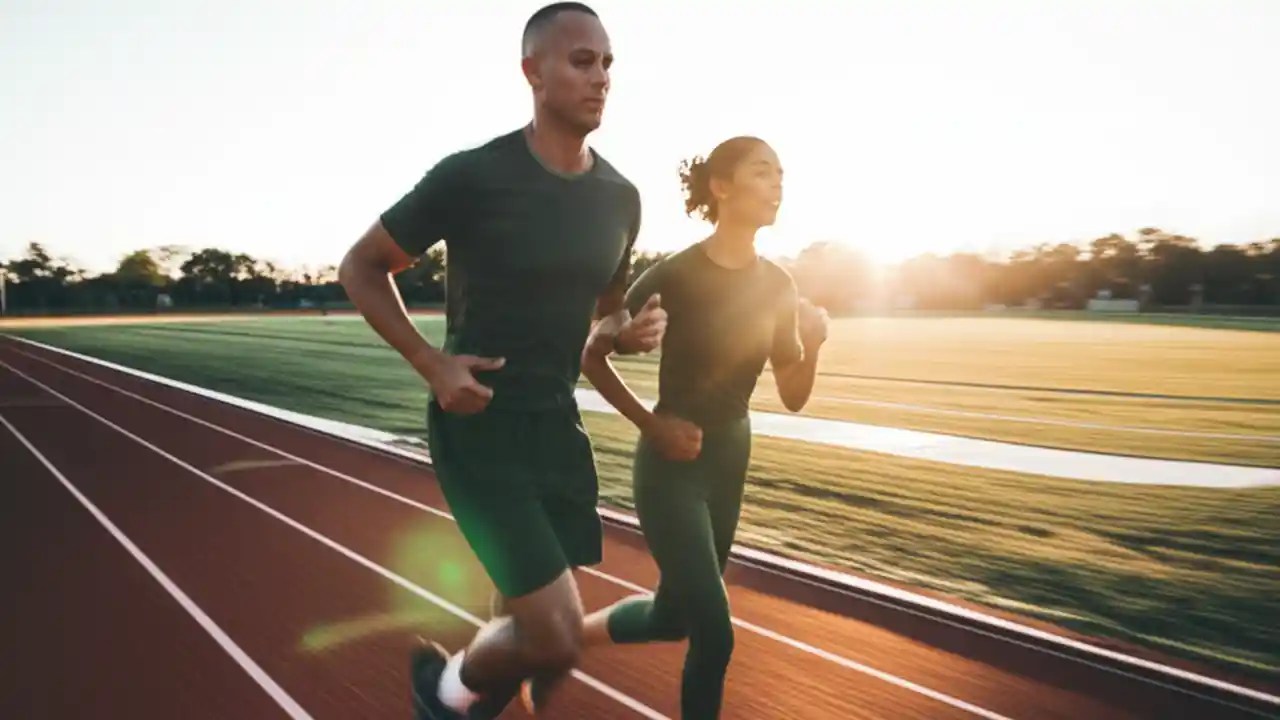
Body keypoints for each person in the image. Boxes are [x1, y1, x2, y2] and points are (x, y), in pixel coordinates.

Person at [336, 4, 667, 719]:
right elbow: (361, 266)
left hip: (557, 430)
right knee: (554, 638)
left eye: (608, 63)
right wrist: (431, 363)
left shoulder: (622, 199)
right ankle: (442, 689)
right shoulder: (473, 176)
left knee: (522, 624)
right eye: (583, 61)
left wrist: (626, 330)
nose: (601, 77)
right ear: (533, 72)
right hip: (480, 424)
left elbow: (602, 312)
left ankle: (469, 705)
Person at [526, 136, 829, 718]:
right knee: (715, 636)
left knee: (673, 617)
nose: (777, 183)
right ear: (721, 187)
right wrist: (651, 425)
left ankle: (559, 649)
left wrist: (811, 346)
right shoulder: (677, 274)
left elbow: (792, 394)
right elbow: (592, 353)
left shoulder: (779, 285)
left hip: (729, 461)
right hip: (672, 467)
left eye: (781, 173)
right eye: (762, 172)